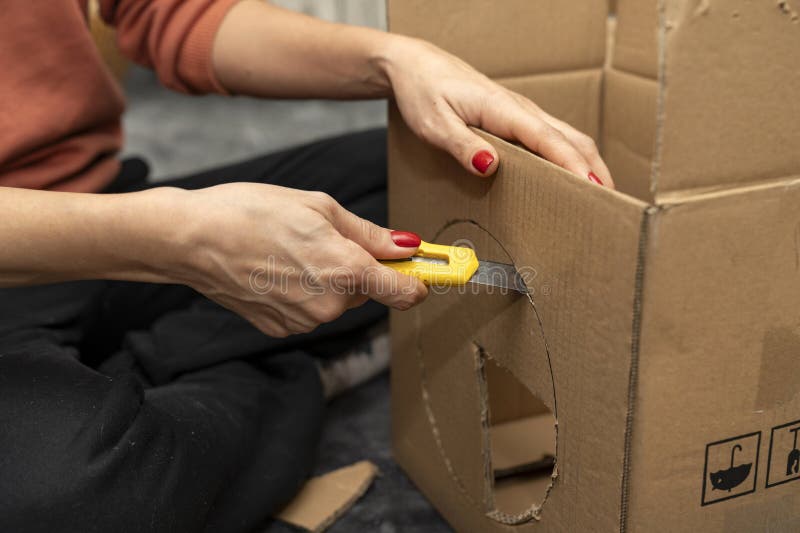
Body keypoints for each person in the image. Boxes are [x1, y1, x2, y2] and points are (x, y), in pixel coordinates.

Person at [0, 1, 613, 531]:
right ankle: (277, 369)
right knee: (74, 500)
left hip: (90, 201)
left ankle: (138, 370)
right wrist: (175, 238)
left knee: (434, 179)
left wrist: (396, 60)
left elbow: (170, 14)